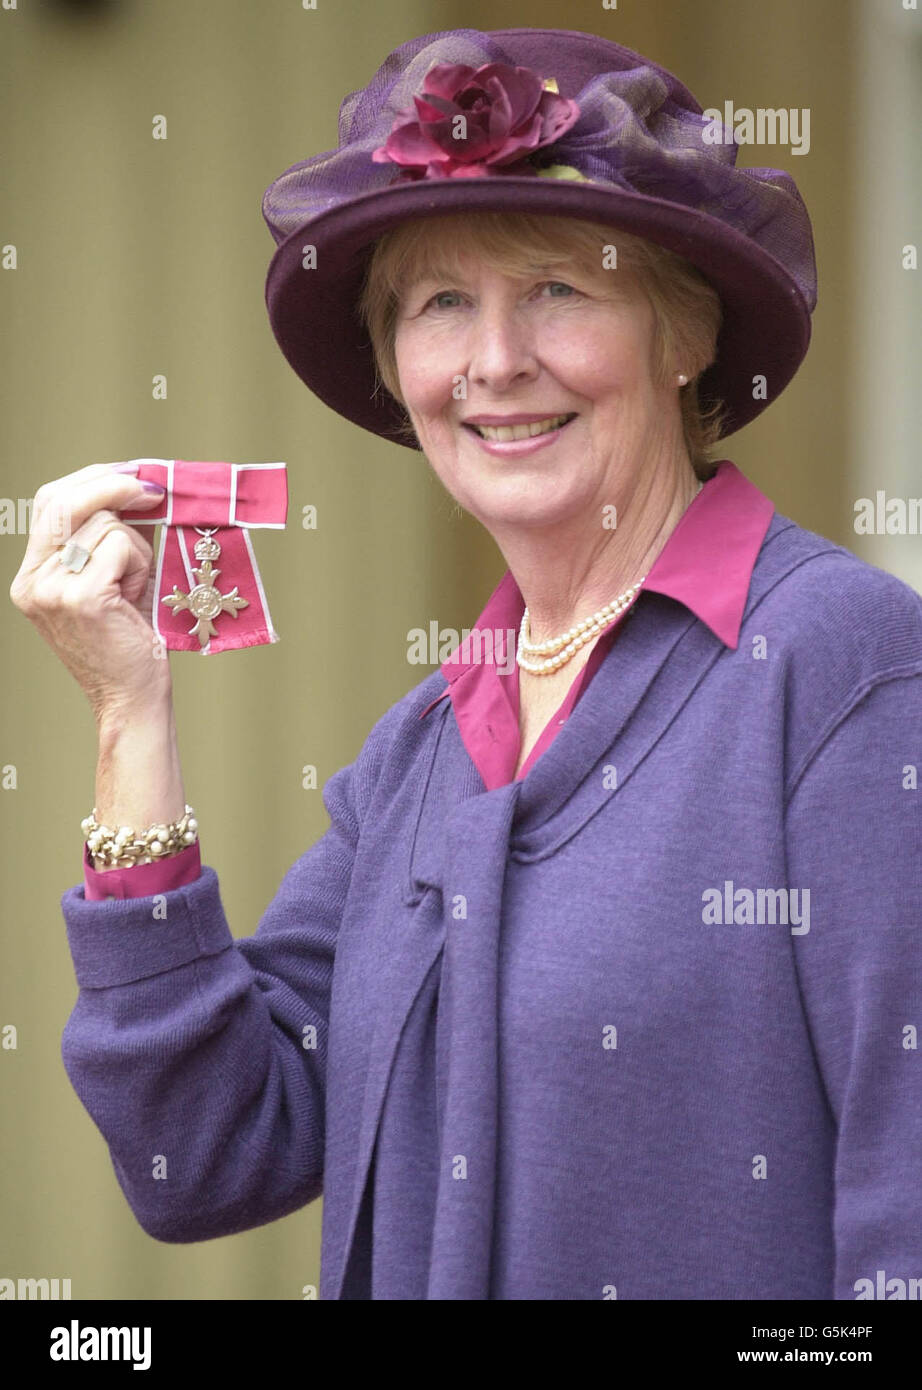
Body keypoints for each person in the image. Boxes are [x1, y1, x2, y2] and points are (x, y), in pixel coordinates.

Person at [10, 27, 922, 1301]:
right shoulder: (422, 748)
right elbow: (200, 1156)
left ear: (684, 335)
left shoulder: (842, 668)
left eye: (557, 287)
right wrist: (129, 712)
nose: (495, 363)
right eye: (441, 304)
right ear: (397, 370)